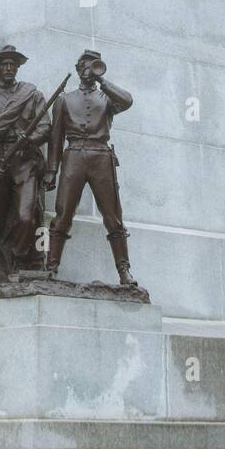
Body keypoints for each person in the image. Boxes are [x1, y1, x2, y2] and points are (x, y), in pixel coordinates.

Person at [45, 48, 137, 287]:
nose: (88, 69)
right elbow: (55, 138)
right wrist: (51, 170)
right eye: (85, 65)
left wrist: (102, 80)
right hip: (74, 155)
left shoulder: (107, 97)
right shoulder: (64, 99)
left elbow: (127, 100)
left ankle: (124, 271)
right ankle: (51, 267)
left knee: (113, 216)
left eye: (94, 65)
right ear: (77, 69)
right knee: (63, 213)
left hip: (101, 156)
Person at [0, 45, 50, 267]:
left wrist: (30, 138)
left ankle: (19, 257)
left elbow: (45, 127)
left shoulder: (32, 95)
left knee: (26, 217)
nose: (9, 68)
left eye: (13, 64)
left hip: (24, 161)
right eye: (4, 64)